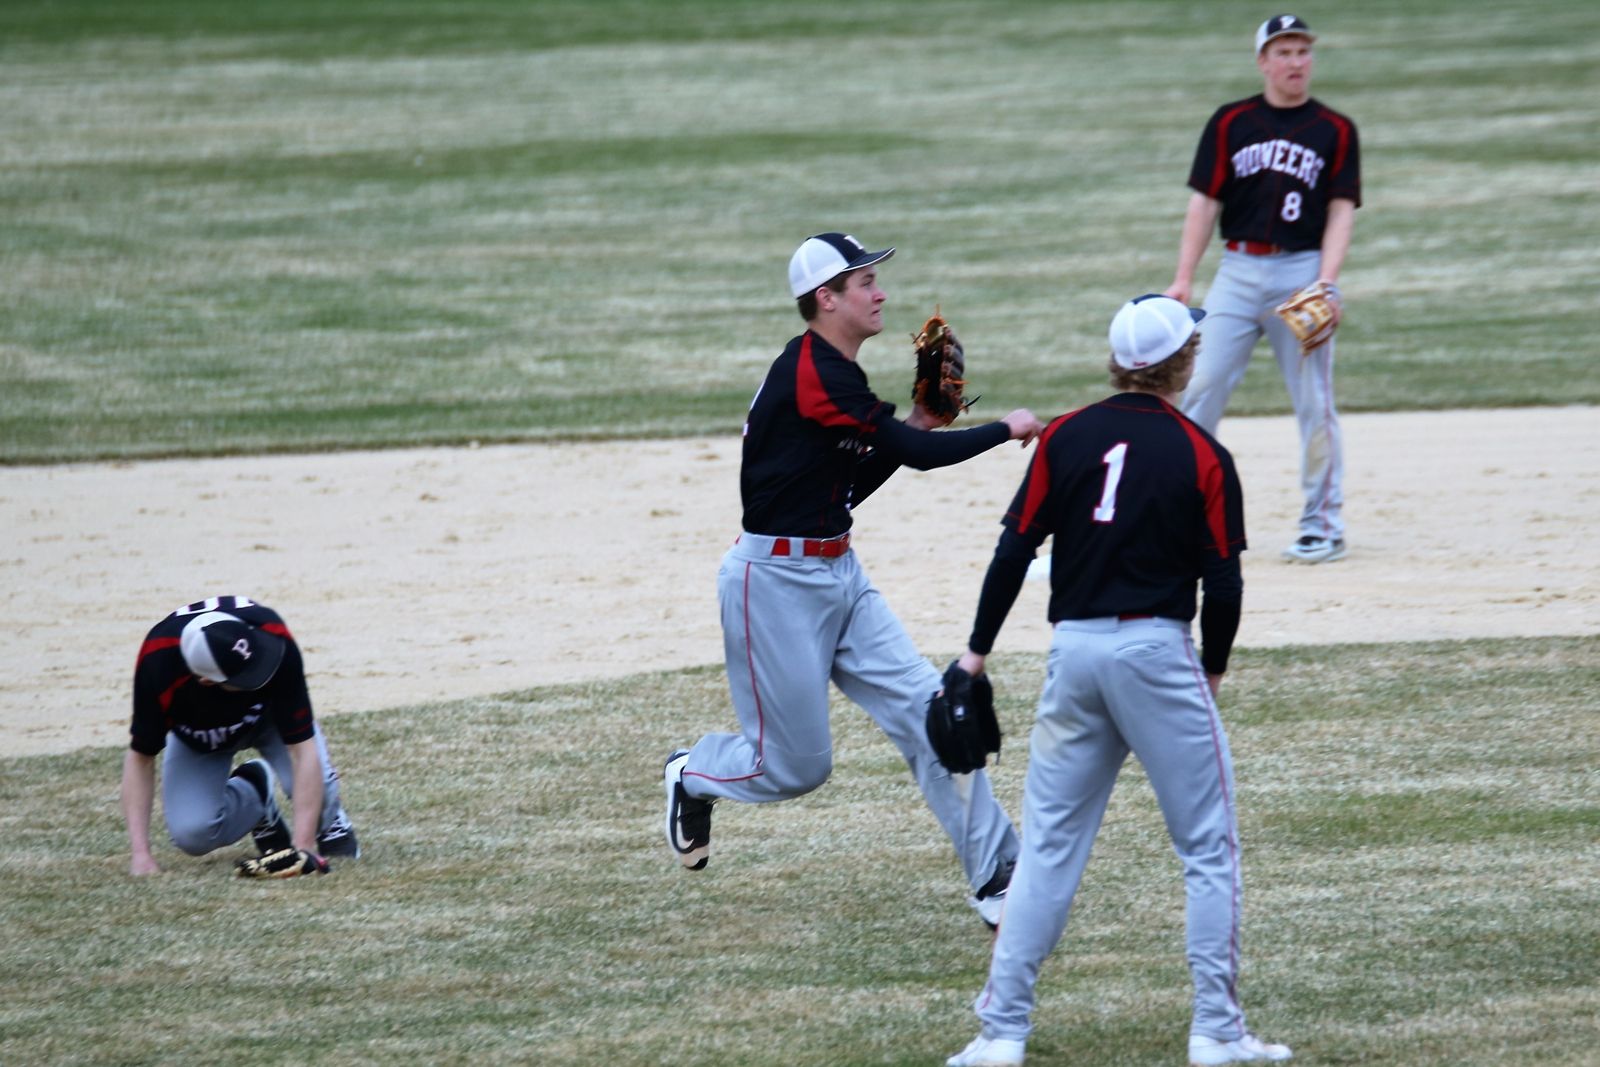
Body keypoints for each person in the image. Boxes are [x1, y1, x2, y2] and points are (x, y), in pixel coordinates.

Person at [945, 296, 1291, 1066]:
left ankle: (1000, 1032)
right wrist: (1213, 669)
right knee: (1207, 846)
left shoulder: (1065, 435)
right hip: (1156, 655)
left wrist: (975, 653)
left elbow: (1012, 552)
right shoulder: (1202, 452)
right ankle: (1216, 1030)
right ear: (1185, 359)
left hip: (1074, 655)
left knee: (1049, 848)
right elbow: (1223, 585)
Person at [663, 232, 1045, 927]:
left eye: (876, 279)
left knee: (935, 716)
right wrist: (1003, 428)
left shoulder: (836, 376)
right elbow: (918, 458)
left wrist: (921, 420)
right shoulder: (815, 372)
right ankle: (693, 773)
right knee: (796, 767)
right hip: (772, 584)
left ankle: (995, 874)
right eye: (864, 282)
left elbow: (841, 491)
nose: (881, 294)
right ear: (824, 298)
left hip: (840, 573)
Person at [1164, 14, 1361, 565]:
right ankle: (1182, 521)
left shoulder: (1336, 130)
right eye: (1284, 52)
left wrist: (1327, 283)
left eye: (1302, 51)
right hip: (1236, 270)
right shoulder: (1231, 122)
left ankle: (1322, 525)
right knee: (1198, 389)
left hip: (1300, 275)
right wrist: (1184, 278)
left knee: (1315, 403)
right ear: (1263, 62)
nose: (1296, 61)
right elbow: (1204, 204)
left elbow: (1341, 212)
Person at [120, 596, 359, 876]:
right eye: (247, 675)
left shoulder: (272, 635)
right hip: (202, 736)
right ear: (207, 681)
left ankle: (331, 822)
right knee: (192, 834)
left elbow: (303, 749)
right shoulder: (158, 666)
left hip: (271, 720)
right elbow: (140, 758)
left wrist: (303, 847)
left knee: (321, 789)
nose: (261, 670)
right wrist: (141, 854)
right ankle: (256, 794)